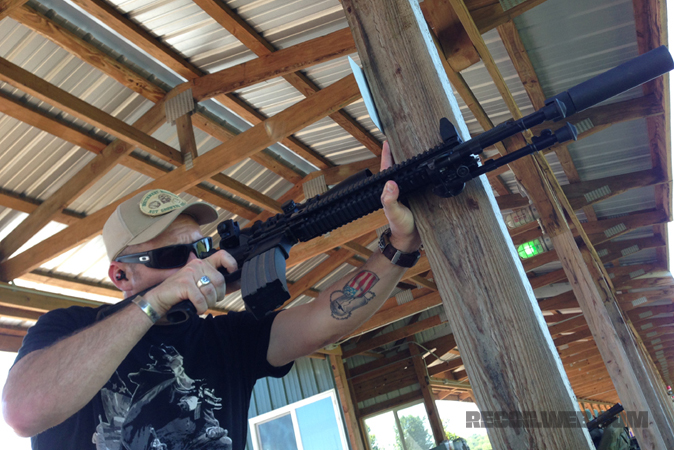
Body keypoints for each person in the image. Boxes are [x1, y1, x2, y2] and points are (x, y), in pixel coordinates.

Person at [2, 143, 422, 449]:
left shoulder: (226, 339)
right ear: (121, 275)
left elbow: (324, 320)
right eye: (172, 255)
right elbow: (22, 412)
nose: (192, 264)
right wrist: (155, 302)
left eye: (199, 249)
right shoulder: (68, 327)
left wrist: (399, 246)